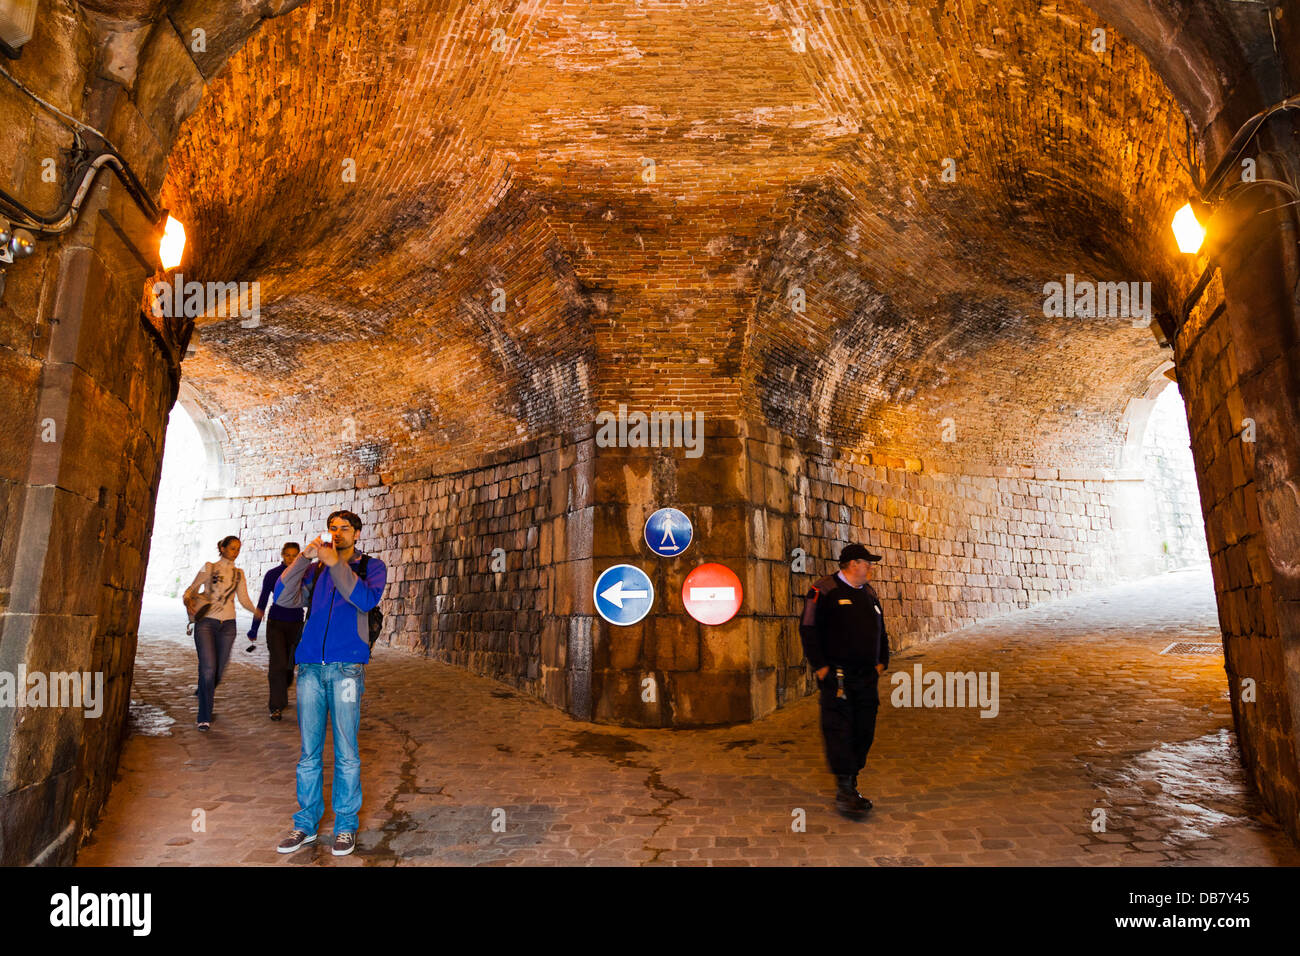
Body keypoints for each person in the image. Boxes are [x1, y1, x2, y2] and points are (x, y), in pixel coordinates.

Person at [272, 510, 386, 857]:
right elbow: (283, 597)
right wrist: (303, 561)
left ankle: (345, 826)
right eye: (332, 528)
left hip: (347, 669)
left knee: (347, 751)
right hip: (309, 668)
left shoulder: (371, 567)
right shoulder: (316, 569)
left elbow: (365, 600)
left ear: (358, 533)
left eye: (344, 528)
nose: (336, 533)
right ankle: (305, 824)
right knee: (308, 753)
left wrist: (337, 562)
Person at [798, 543, 890, 818]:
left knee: (864, 730)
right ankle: (845, 788)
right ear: (852, 564)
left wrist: (882, 661)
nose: (871, 567)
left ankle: (852, 779)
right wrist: (821, 667)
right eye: (867, 562)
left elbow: (881, 630)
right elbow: (808, 628)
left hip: (866, 678)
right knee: (840, 730)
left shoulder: (869, 594)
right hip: (837, 677)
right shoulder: (823, 591)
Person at [182, 535, 263, 731]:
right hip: (206, 623)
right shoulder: (208, 567)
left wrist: (256, 611)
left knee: (217, 671)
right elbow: (190, 590)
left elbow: (243, 599)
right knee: (208, 669)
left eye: (238, 548)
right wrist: (188, 602)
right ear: (223, 548)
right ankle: (204, 716)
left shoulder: (239, 574)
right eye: (232, 548)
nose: (236, 552)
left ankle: (203, 688)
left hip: (228, 626)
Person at [248, 542, 306, 721]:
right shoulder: (273, 574)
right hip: (276, 624)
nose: (290, 558)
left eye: (294, 555)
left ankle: (283, 689)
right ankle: (275, 706)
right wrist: (254, 628)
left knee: (290, 665)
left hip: (296, 623)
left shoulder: (304, 575)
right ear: (282, 555)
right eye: (287, 555)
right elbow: (262, 601)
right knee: (277, 664)